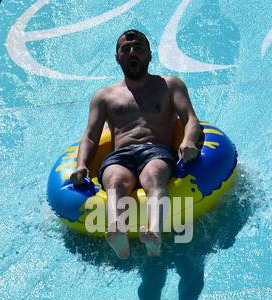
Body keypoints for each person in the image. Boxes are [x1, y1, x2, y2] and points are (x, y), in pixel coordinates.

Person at [71, 30, 202, 259]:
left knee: (153, 175)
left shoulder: (169, 85)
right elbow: (91, 136)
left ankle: (154, 233)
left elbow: (190, 119)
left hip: (156, 151)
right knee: (114, 179)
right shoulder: (104, 96)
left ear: (149, 55)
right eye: (126, 49)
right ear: (117, 57)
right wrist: (82, 164)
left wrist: (189, 141)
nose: (133, 52)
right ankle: (117, 232)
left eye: (139, 48)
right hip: (119, 156)